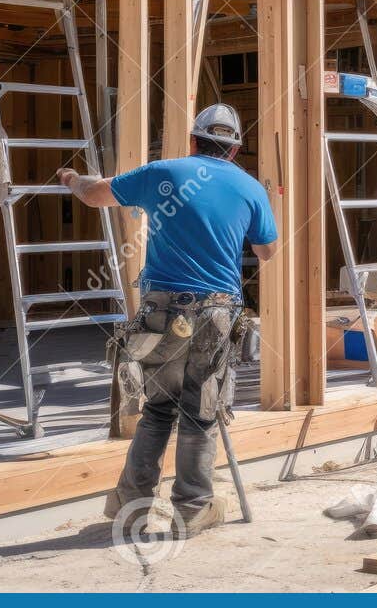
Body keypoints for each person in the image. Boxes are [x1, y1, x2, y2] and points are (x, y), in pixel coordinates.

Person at [58, 103, 279, 535]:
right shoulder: (250, 187)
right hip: (216, 312)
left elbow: (94, 194)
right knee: (201, 412)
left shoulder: (164, 172)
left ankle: (132, 504)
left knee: (159, 409)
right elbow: (267, 251)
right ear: (233, 150)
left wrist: (70, 178)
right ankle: (193, 508)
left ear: (193, 140)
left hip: (162, 311)